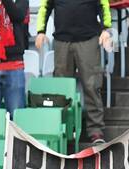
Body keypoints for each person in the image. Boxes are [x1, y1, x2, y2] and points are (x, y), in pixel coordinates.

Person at [34, 0, 113, 144]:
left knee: (92, 86)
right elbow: (45, 6)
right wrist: (40, 31)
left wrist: (106, 29)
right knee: (61, 91)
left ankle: (96, 132)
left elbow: (103, 4)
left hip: (89, 40)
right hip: (62, 41)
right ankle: (63, 131)